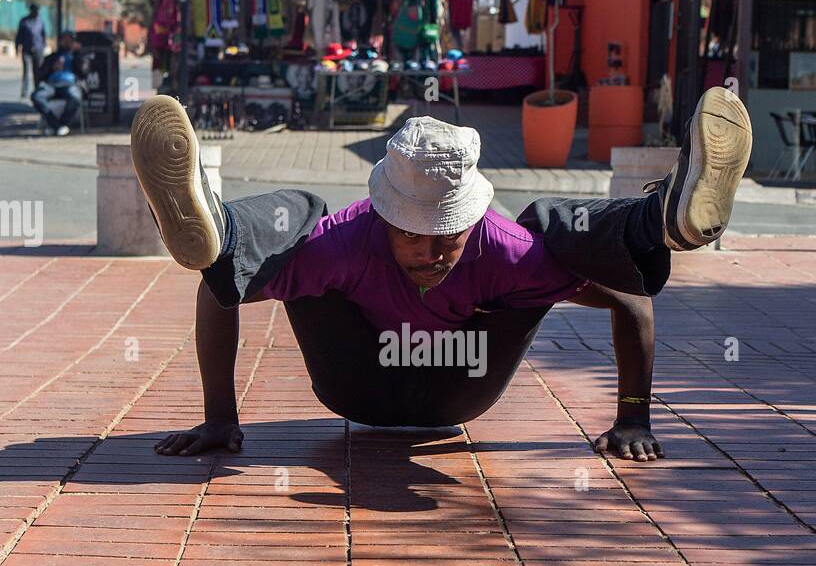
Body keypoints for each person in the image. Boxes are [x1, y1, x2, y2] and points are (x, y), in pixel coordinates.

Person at [129, 91, 753, 462]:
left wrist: (635, 417)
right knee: (288, 229)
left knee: (548, 229)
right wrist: (219, 418)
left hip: (460, 389)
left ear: (470, 217)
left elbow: (632, 299)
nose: (430, 251)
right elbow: (221, 291)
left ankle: (663, 222)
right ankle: (216, 227)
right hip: (357, 385)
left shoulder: (504, 250)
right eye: (409, 232)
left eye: (448, 233)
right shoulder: (348, 239)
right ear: (383, 216)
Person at [31, 31, 85, 137]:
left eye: (69, 40)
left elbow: (84, 72)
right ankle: (56, 125)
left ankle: (61, 124)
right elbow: (41, 75)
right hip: (52, 85)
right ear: (60, 41)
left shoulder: (76, 56)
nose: (66, 42)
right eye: (64, 40)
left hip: (70, 84)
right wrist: (52, 68)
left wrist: (78, 54)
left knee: (76, 97)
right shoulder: (52, 57)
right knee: (37, 96)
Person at [15, 3, 46, 97]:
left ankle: (37, 90)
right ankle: (24, 91)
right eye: (35, 10)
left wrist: (43, 47)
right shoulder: (24, 21)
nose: (36, 12)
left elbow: (43, 35)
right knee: (26, 71)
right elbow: (19, 35)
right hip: (26, 50)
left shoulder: (40, 22)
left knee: (37, 71)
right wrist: (17, 47)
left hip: (38, 50)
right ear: (31, 11)